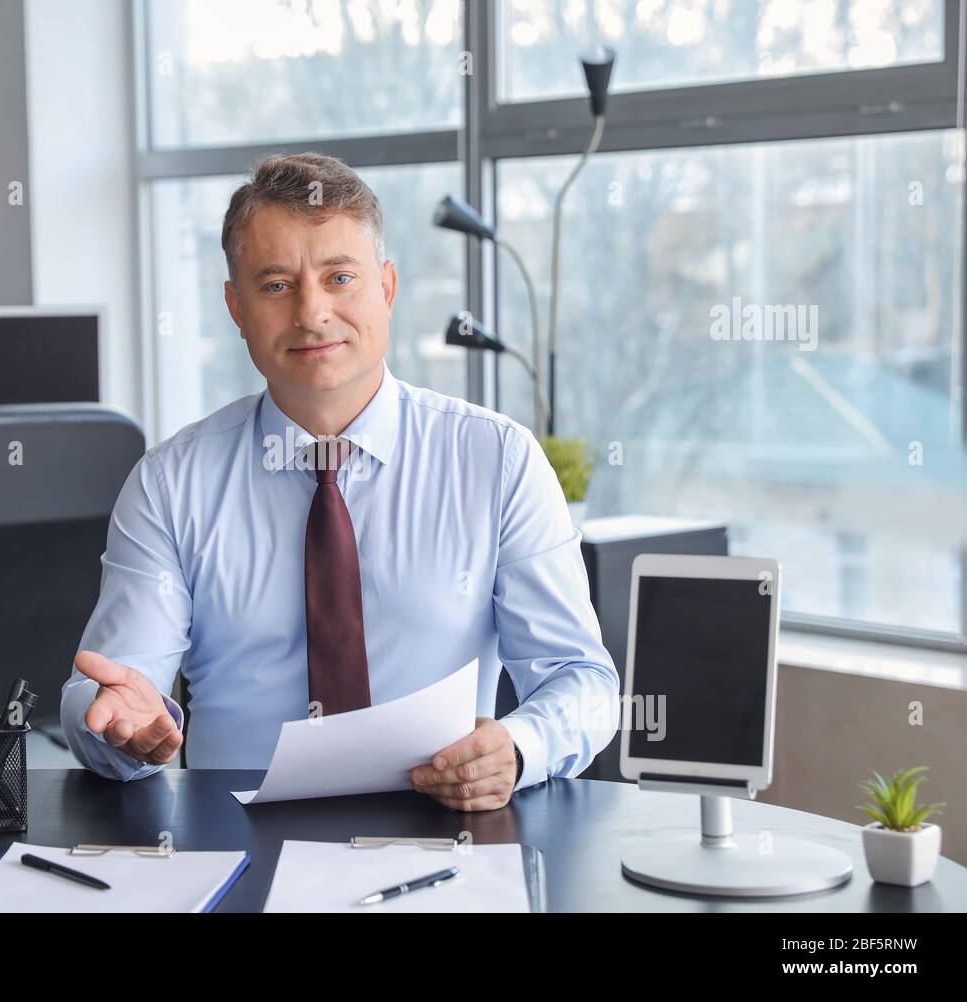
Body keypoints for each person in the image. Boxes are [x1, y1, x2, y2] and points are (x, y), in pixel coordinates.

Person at [62, 152, 619, 811]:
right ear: (235, 307)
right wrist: (121, 732)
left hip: (445, 836)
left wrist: (520, 746)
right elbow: (110, 693)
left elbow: (580, 680)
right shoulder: (170, 484)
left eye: (339, 278)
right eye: (275, 285)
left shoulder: (496, 460)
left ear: (386, 288)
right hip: (239, 840)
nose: (312, 312)